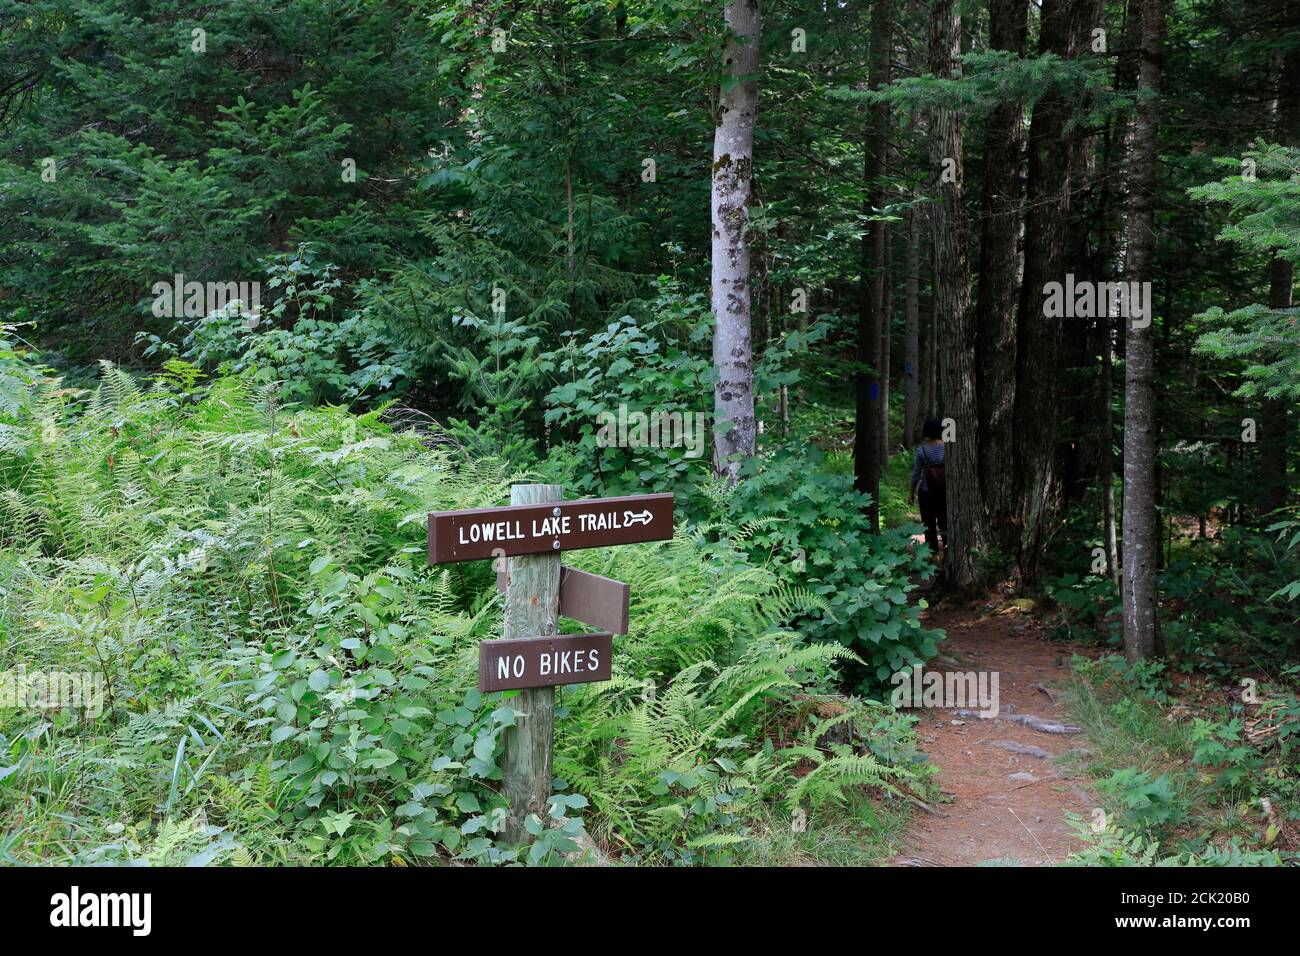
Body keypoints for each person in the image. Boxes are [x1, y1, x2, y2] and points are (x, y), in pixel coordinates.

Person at [908, 418, 947, 555]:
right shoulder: (947, 447)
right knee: (945, 521)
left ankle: (933, 555)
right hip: (944, 491)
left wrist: (911, 492)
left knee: (928, 524)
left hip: (926, 491)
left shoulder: (922, 449)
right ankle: (948, 553)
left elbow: (916, 474)